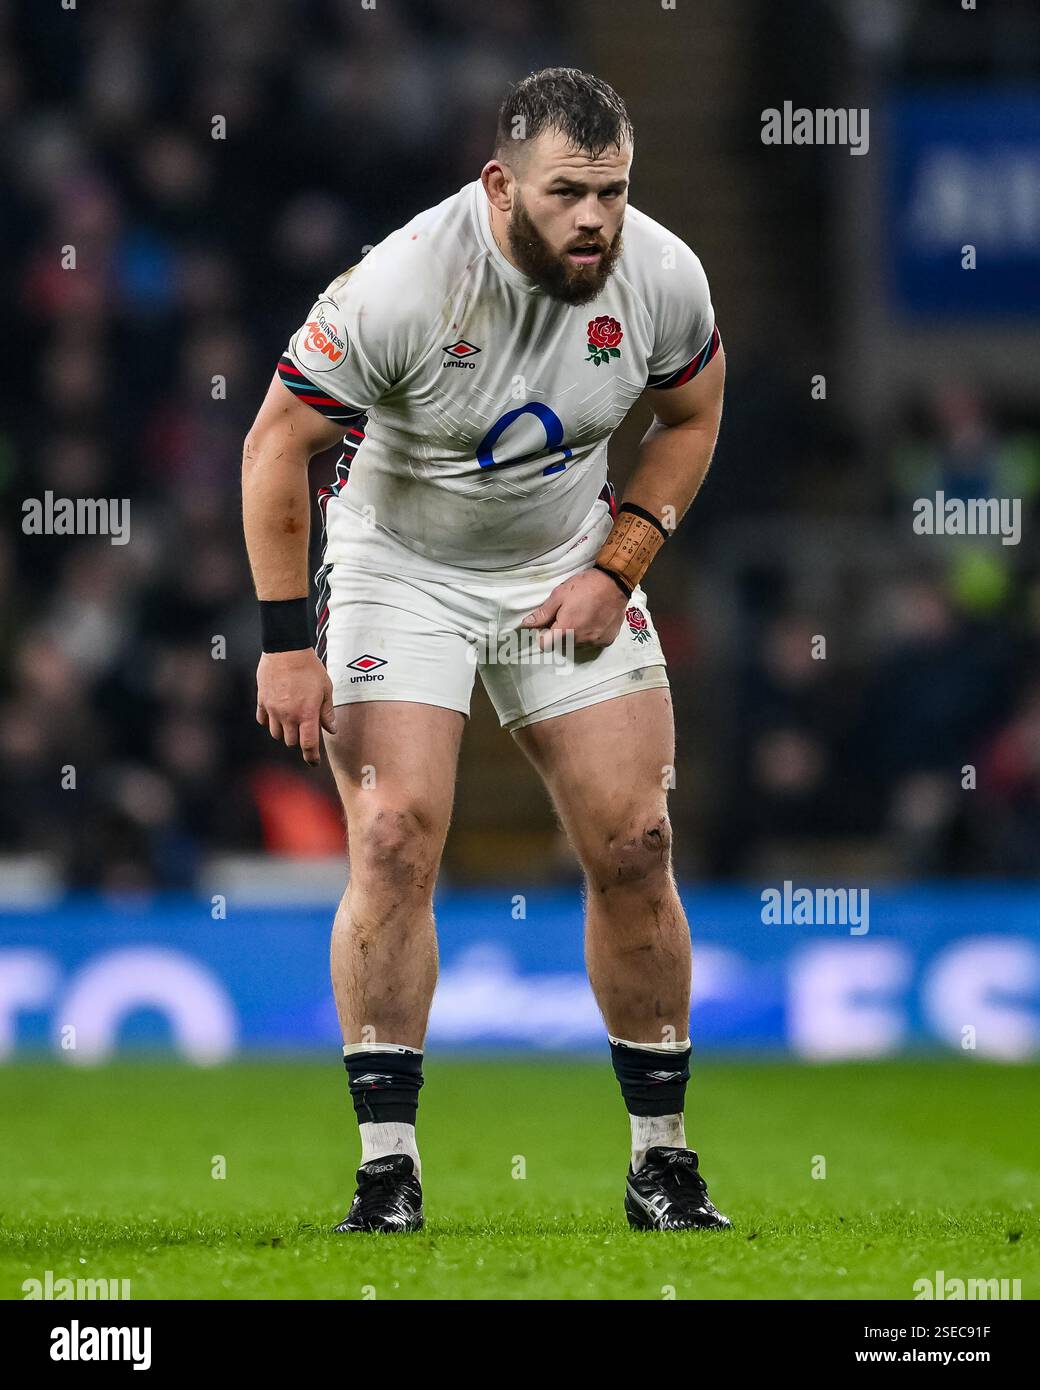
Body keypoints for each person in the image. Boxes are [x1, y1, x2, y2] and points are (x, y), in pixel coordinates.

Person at [242, 67, 729, 1233]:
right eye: (569, 193)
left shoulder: (660, 275)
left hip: (563, 560)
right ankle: (387, 1168)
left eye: (612, 191)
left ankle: (659, 1161)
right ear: (499, 183)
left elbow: (692, 418)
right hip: (396, 564)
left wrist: (618, 564)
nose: (596, 219)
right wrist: (283, 646)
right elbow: (273, 446)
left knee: (637, 838)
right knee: (397, 836)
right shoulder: (405, 282)